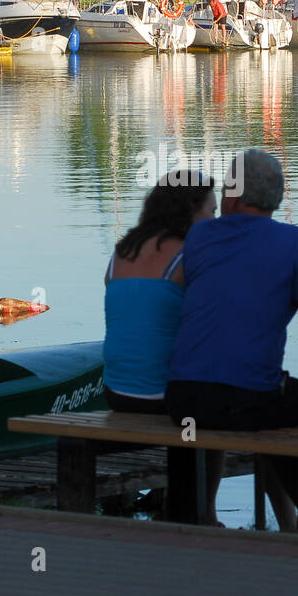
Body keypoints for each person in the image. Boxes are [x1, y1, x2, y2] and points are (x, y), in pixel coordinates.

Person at [165, 148, 298, 534]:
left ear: (233, 193)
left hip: (183, 398)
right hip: (247, 399)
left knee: (272, 401)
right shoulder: (297, 244)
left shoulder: (200, 235)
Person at [103, 171, 222, 524]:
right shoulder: (189, 255)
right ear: (191, 209)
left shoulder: (121, 252)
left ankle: (168, 500)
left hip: (116, 391)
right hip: (163, 398)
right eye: (211, 211)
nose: (214, 220)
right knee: (215, 402)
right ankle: (204, 515)